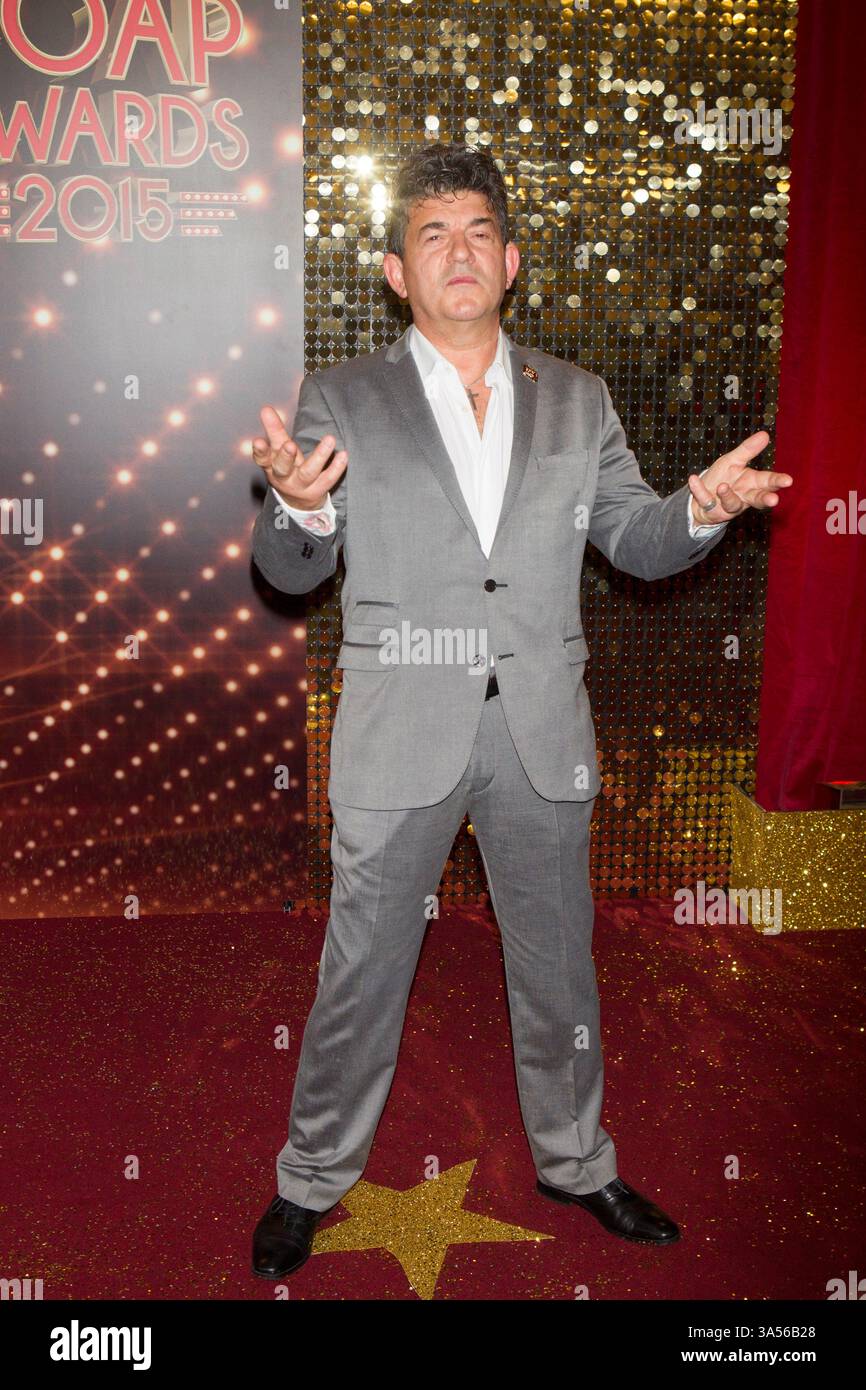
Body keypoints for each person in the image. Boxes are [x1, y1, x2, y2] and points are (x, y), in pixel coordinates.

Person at [248, 142, 793, 1280]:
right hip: (400, 734)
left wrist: (695, 508)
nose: (458, 252)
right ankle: (310, 1176)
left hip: (539, 731)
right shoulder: (340, 397)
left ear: (511, 261)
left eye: (477, 233)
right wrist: (300, 515)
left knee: (559, 965)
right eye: (431, 235)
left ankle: (576, 1159)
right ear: (398, 271)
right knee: (362, 966)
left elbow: (635, 547)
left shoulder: (578, 399)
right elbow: (292, 575)